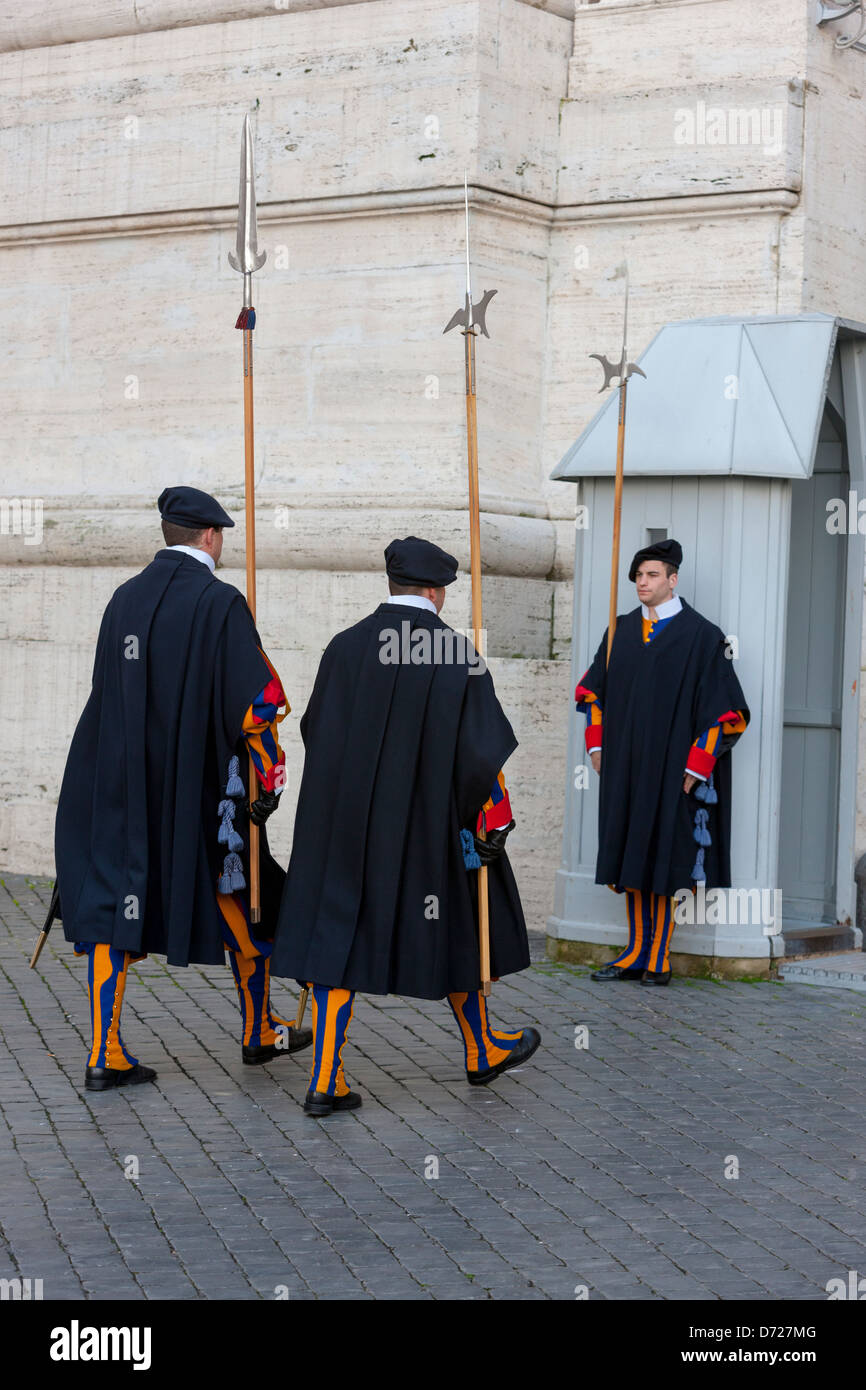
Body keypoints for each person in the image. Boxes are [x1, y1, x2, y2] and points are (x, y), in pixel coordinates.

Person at [270, 536, 541, 1116]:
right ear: (437, 593)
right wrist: (494, 820)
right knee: (458, 926)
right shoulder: (456, 653)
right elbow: (482, 756)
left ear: (393, 585)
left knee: (335, 934)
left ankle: (325, 1077)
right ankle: (482, 1047)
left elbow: (316, 731)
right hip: (425, 828)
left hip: (340, 826)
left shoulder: (343, 647)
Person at [54, 486, 313, 1091]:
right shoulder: (221, 603)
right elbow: (259, 705)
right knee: (244, 899)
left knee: (111, 908)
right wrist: (268, 779)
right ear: (212, 538)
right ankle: (259, 1030)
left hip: (119, 785)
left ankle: (104, 1052)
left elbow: (106, 694)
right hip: (198, 793)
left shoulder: (123, 599)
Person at [576, 539, 749, 985]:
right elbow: (595, 693)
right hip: (625, 768)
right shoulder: (619, 632)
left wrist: (698, 766)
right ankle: (634, 951)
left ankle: (658, 955)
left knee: (663, 856)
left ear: (673, 579)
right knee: (630, 856)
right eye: (638, 576)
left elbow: (721, 710)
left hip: (675, 771)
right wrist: (596, 747)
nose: (642, 583)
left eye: (652, 575)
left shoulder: (703, 637)